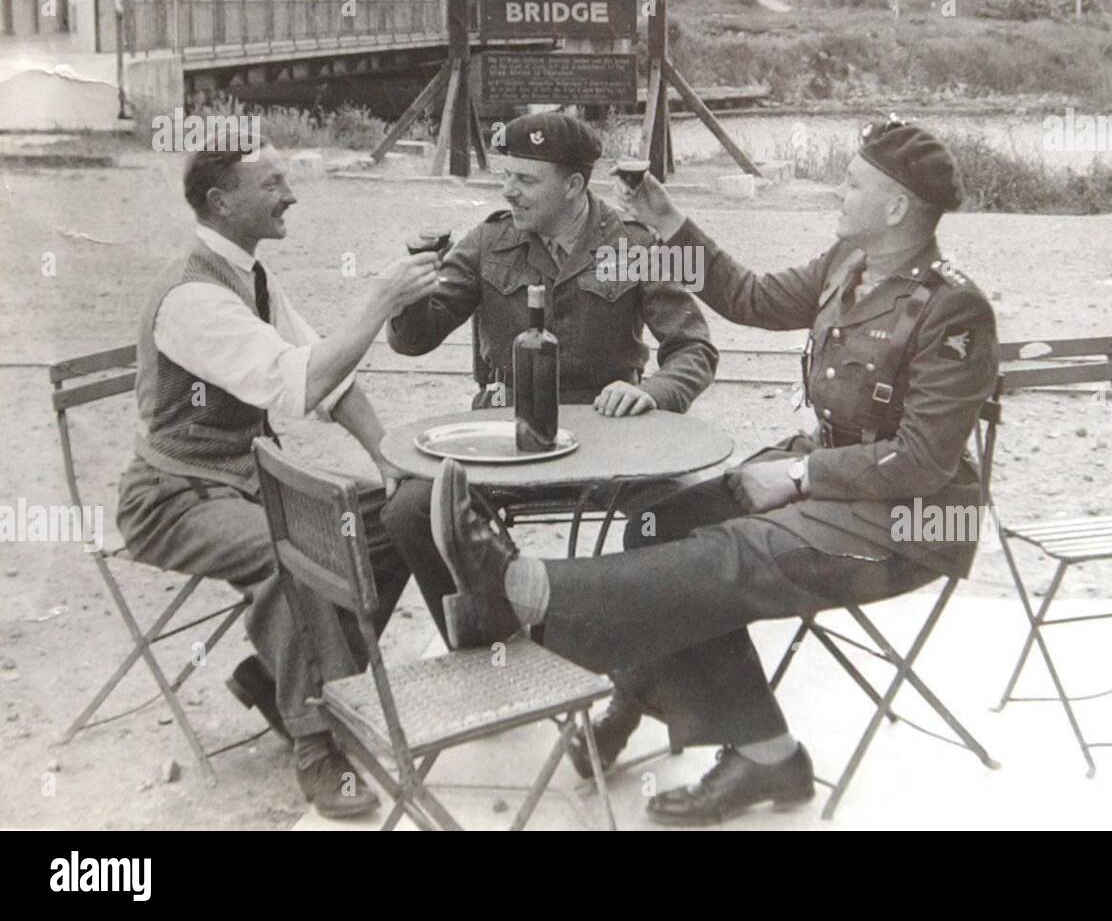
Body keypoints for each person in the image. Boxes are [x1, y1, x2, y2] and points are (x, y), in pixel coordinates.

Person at [429, 118, 1000, 826]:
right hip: (833, 485)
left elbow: (921, 459)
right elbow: (749, 297)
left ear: (895, 208)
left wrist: (800, 476)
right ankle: (744, 744)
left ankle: (524, 589)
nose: (838, 192)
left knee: (727, 557)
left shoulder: (954, 308)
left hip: (912, 522)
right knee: (658, 523)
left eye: (852, 184)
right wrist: (671, 223)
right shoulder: (846, 264)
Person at [117, 137, 441, 819]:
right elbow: (298, 385)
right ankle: (317, 744)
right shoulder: (191, 296)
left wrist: (387, 461)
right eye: (271, 185)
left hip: (245, 484)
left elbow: (330, 374)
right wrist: (379, 301)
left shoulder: (252, 276)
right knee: (294, 549)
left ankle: (278, 679)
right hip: (173, 498)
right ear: (220, 201)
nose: (290, 195)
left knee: (399, 511)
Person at [380, 110, 718, 636]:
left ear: (573, 186)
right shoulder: (488, 241)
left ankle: (639, 648)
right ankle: (489, 641)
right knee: (411, 509)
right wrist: (409, 293)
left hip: (610, 435)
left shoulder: (633, 244)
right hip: (506, 434)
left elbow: (693, 346)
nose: (508, 192)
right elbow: (415, 340)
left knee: (685, 514)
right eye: (505, 176)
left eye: (525, 180)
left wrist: (654, 392)